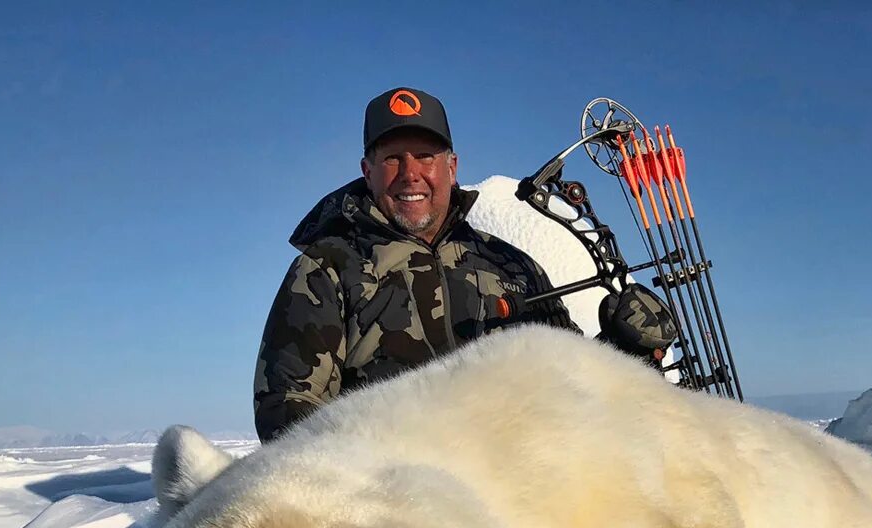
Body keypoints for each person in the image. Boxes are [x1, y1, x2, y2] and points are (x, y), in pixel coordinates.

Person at [253, 87, 676, 440]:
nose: (410, 173)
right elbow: (287, 416)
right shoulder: (326, 268)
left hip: (524, 495)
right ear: (368, 172)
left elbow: (570, 382)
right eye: (392, 158)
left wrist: (629, 352)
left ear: (452, 168)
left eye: (426, 157)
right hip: (392, 505)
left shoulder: (512, 266)